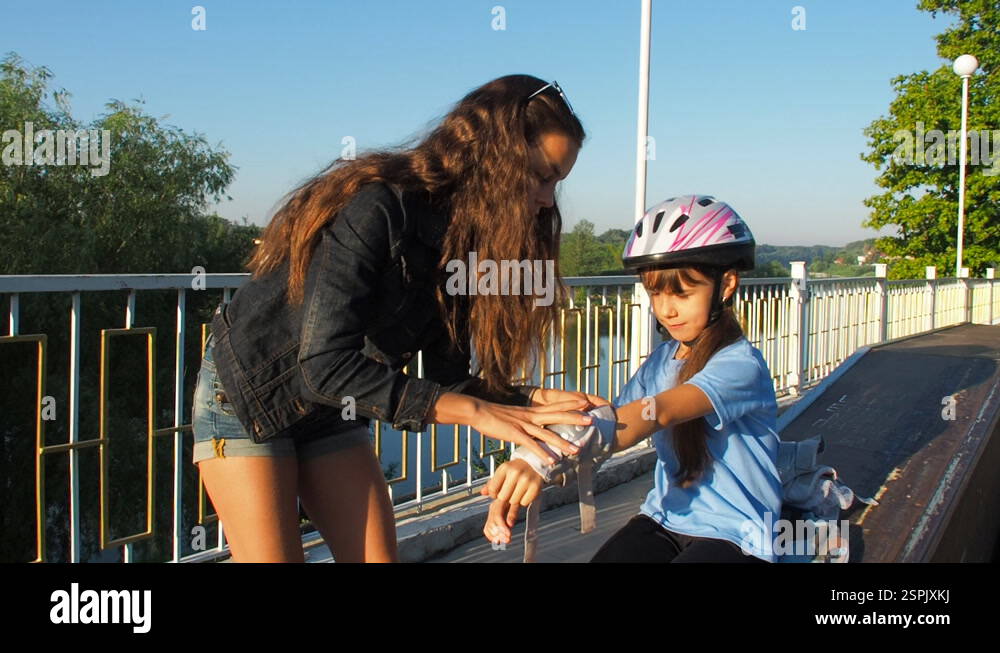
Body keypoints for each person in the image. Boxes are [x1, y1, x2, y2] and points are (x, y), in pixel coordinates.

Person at [192, 75, 607, 563]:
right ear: (493, 159)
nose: (547, 200)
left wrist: (530, 401)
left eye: (556, 182)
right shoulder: (379, 205)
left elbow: (446, 378)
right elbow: (322, 364)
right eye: (541, 176)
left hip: (330, 406)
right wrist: (480, 414)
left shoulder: (467, 243)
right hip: (250, 397)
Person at [481, 195, 784, 563]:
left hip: (738, 533)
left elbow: (656, 413)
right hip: (666, 517)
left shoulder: (739, 364)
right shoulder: (661, 361)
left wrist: (542, 460)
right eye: (656, 292)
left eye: (683, 294)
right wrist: (529, 464)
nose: (666, 309)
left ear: (727, 284)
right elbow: (613, 422)